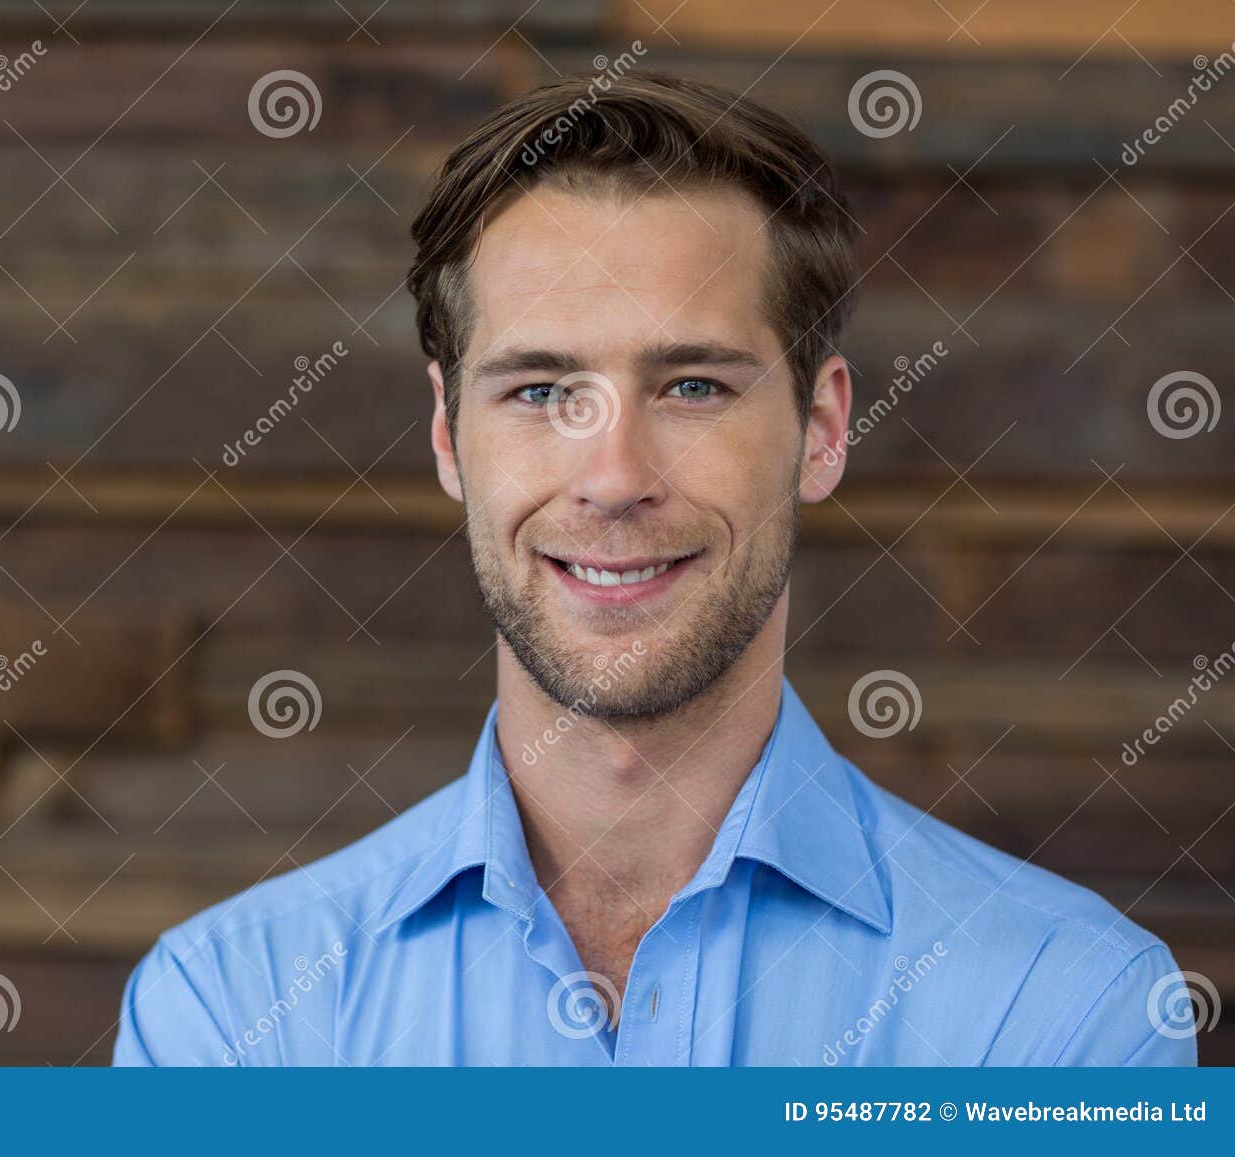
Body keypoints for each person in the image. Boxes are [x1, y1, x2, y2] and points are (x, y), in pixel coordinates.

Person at [113, 71, 1194, 1066]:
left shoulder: (1064, 1015)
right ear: (449, 436)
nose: (614, 477)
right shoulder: (229, 1014)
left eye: (691, 386)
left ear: (820, 429)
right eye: (539, 391)